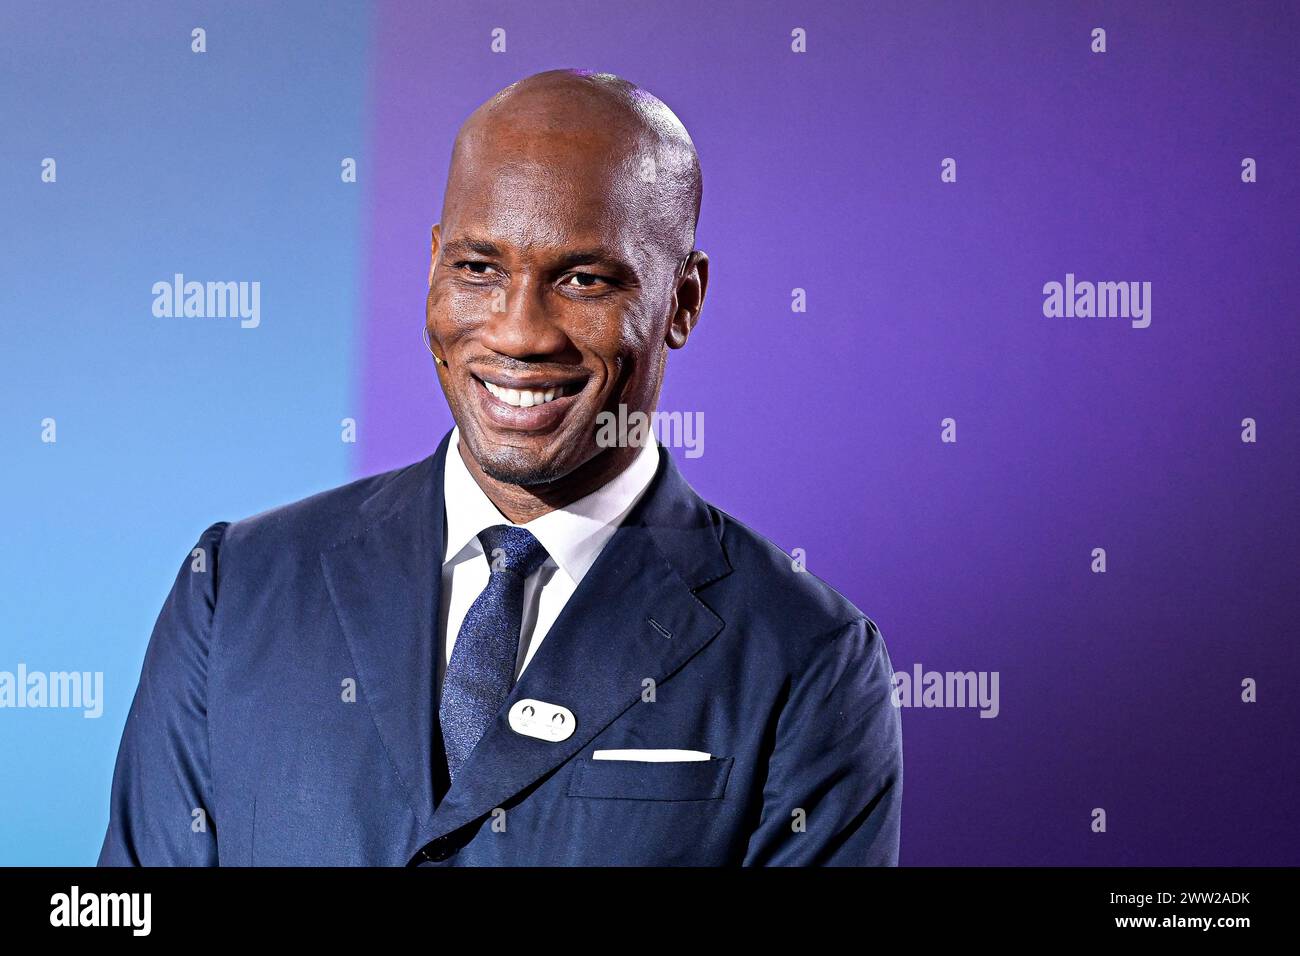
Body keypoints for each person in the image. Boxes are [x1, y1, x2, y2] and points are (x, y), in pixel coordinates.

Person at [97, 68, 902, 866]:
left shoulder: (810, 660)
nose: (520, 334)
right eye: (480, 269)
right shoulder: (235, 587)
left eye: (583, 279)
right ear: (434, 266)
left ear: (683, 300)